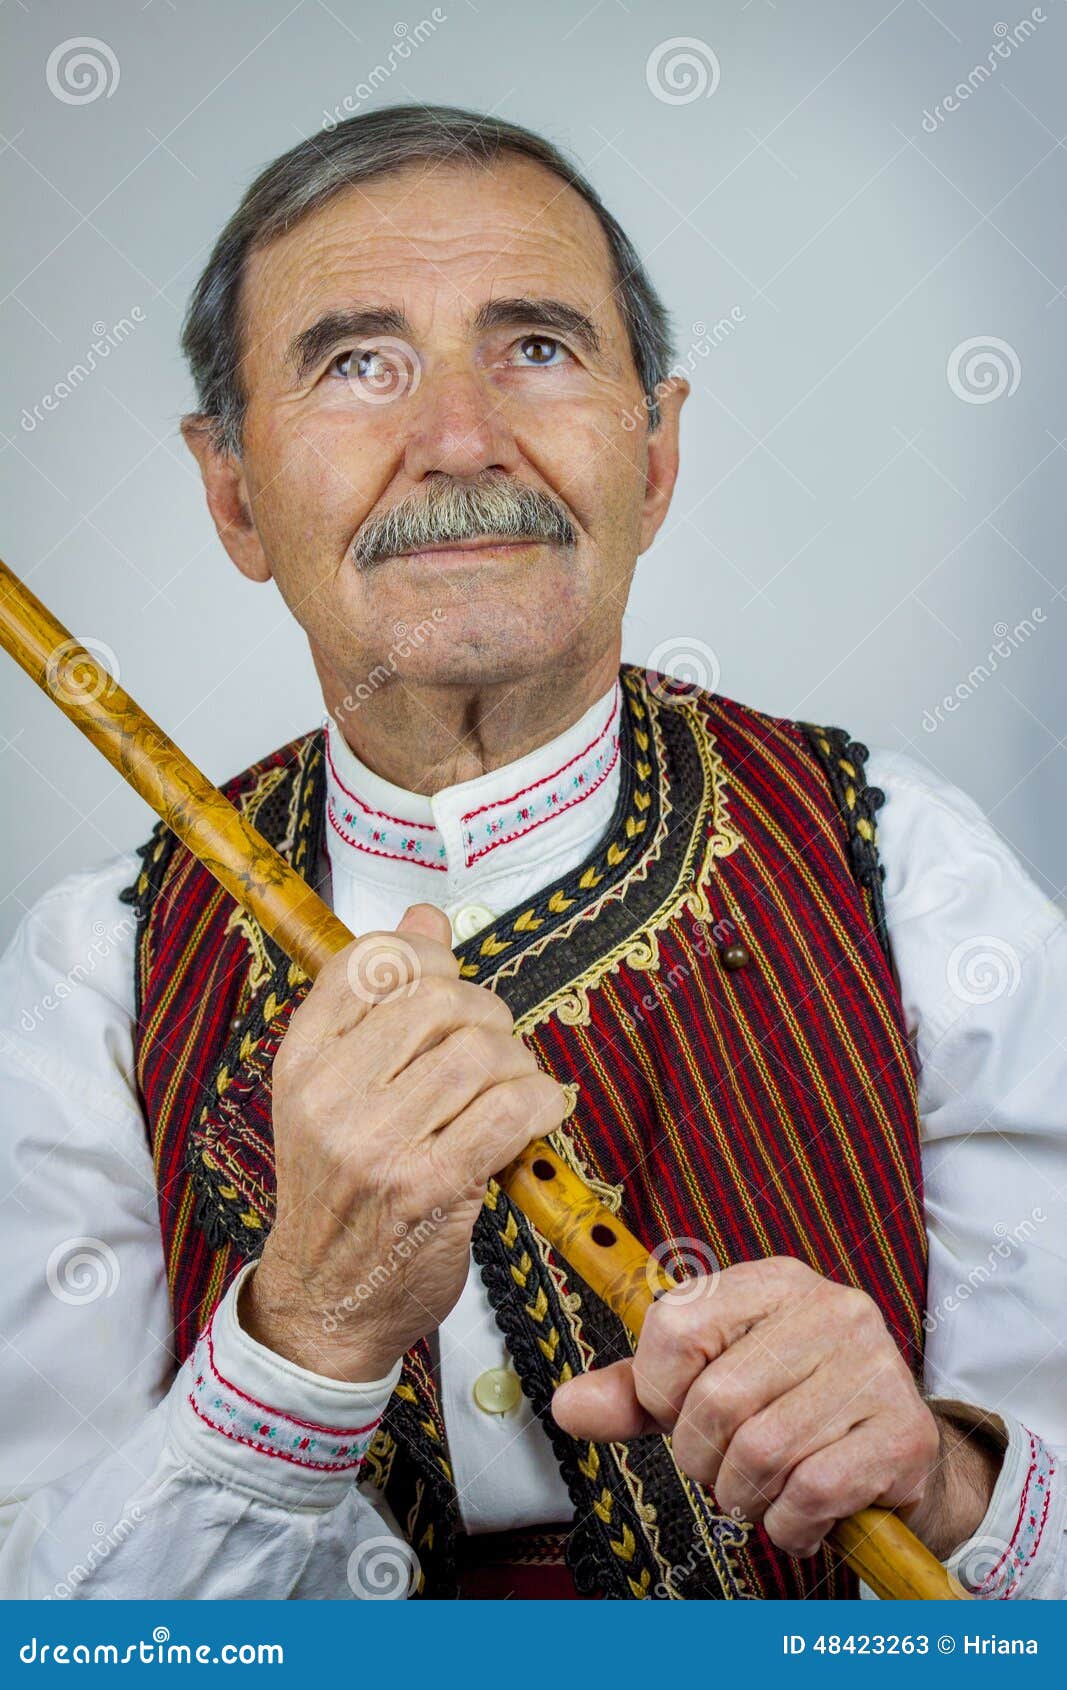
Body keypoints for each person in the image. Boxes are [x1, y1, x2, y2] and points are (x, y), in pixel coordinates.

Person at [0, 104, 1063, 1602]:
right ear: (233, 492)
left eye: (539, 349)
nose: (458, 440)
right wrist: (301, 1334)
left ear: (657, 449)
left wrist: (952, 1480)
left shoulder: (904, 863)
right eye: (357, 363)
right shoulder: (92, 970)